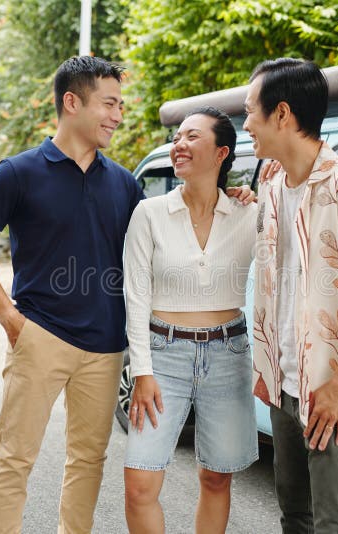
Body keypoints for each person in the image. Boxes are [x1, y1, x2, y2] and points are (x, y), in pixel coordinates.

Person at [0, 56, 254, 534]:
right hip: (40, 337)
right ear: (72, 102)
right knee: (15, 459)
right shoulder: (20, 172)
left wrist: (232, 194)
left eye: (120, 105)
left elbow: (166, 236)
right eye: (109, 104)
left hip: (105, 348)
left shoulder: (123, 183)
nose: (118, 115)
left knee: (88, 460)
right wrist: (11, 320)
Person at [246, 58, 338, 533]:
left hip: (336, 394)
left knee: (335, 526)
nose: (246, 123)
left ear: (282, 114)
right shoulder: (270, 181)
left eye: (252, 111)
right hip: (284, 383)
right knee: (295, 514)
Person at [123, 107, 258, 534]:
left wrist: (253, 197)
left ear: (221, 153)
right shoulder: (149, 213)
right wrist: (141, 369)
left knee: (216, 477)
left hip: (228, 351)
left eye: (191, 136)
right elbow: (135, 295)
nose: (178, 144)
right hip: (163, 356)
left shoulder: (248, 214)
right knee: (140, 483)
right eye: (177, 137)